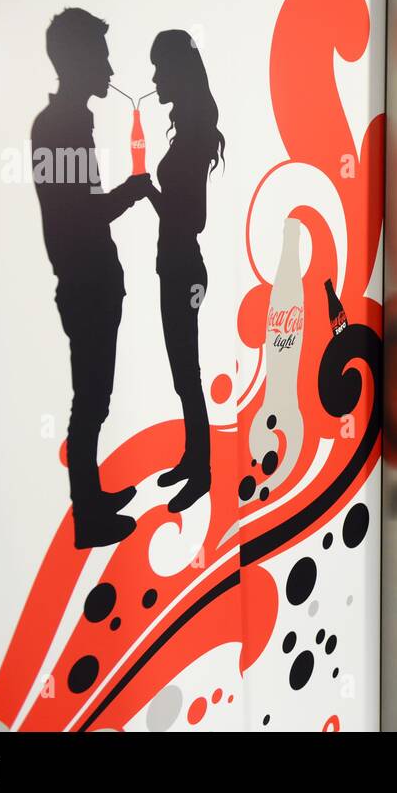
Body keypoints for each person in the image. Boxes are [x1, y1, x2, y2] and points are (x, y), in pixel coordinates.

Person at [31, 8, 150, 549]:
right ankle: (89, 519)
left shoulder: (65, 122)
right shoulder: (65, 126)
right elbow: (85, 213)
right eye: (100, 56)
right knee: (91, 402)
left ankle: (93, 499)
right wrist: (137, 188)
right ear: (77, 61)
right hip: (87, 285)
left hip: (87, 281)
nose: (109, 66)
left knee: (93, 399)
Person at [143, 30, 225, 513]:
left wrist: (149, 193)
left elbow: (194, 217)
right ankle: (194, 462)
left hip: (184, 268)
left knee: (187, 375)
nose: (154, 78)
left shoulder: (194, 132)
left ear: (177, 71)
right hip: (174, 265)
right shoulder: (190, 126)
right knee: (183, 375)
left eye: (159, 68)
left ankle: (202, 472)